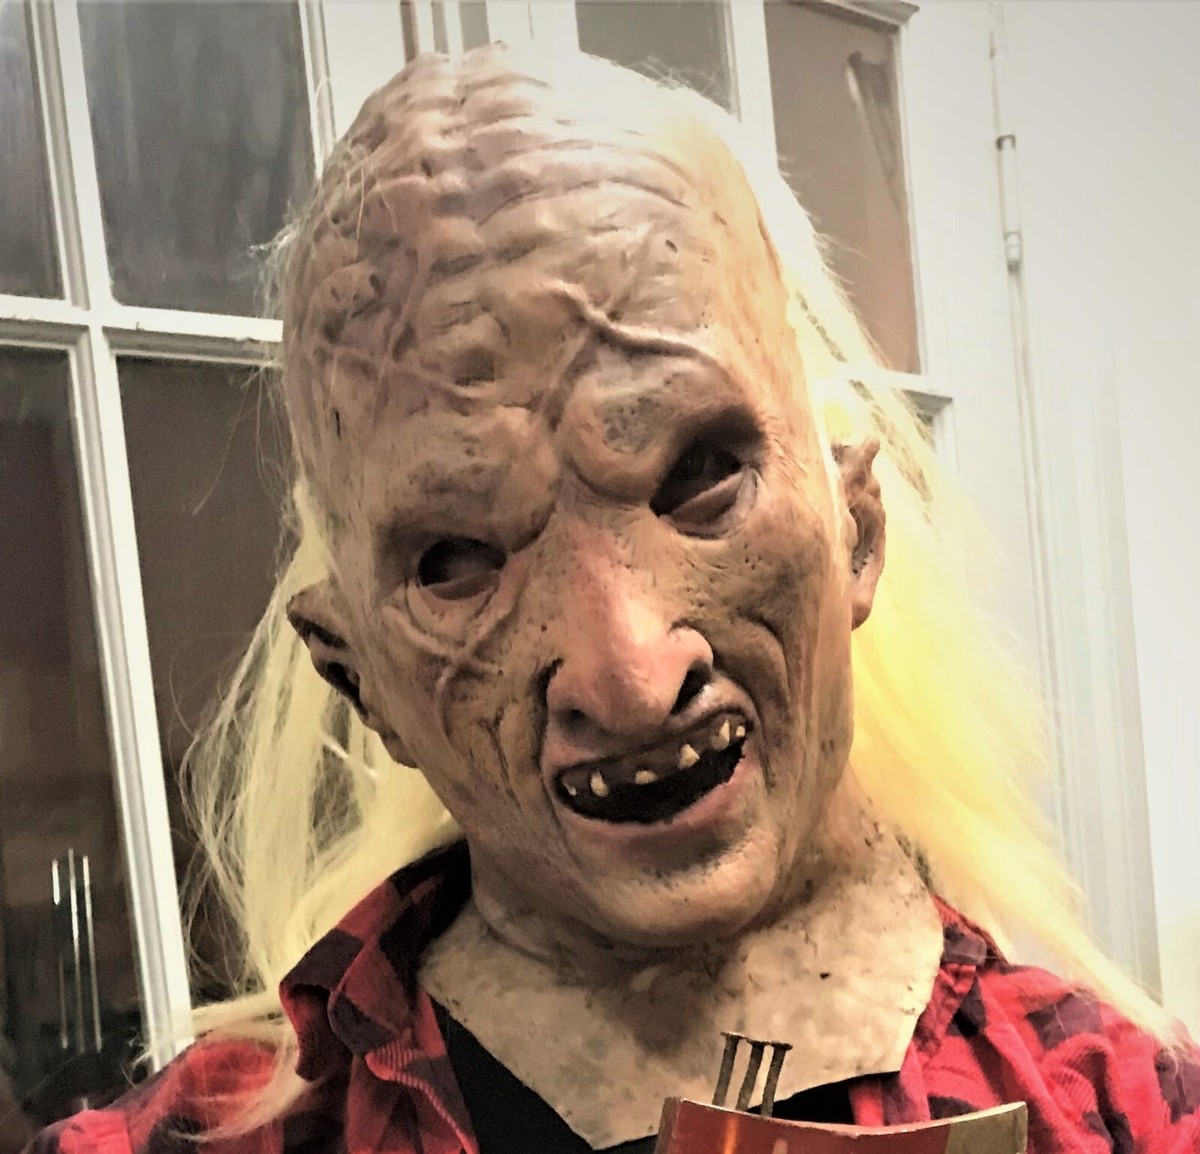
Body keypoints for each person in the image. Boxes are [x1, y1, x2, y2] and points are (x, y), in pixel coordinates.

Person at [23, 44, 1200, 1154]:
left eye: (702, 477)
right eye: (457, 557)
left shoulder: (1123, 1115)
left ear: (856, 524)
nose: (630, 676)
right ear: (357, 672)